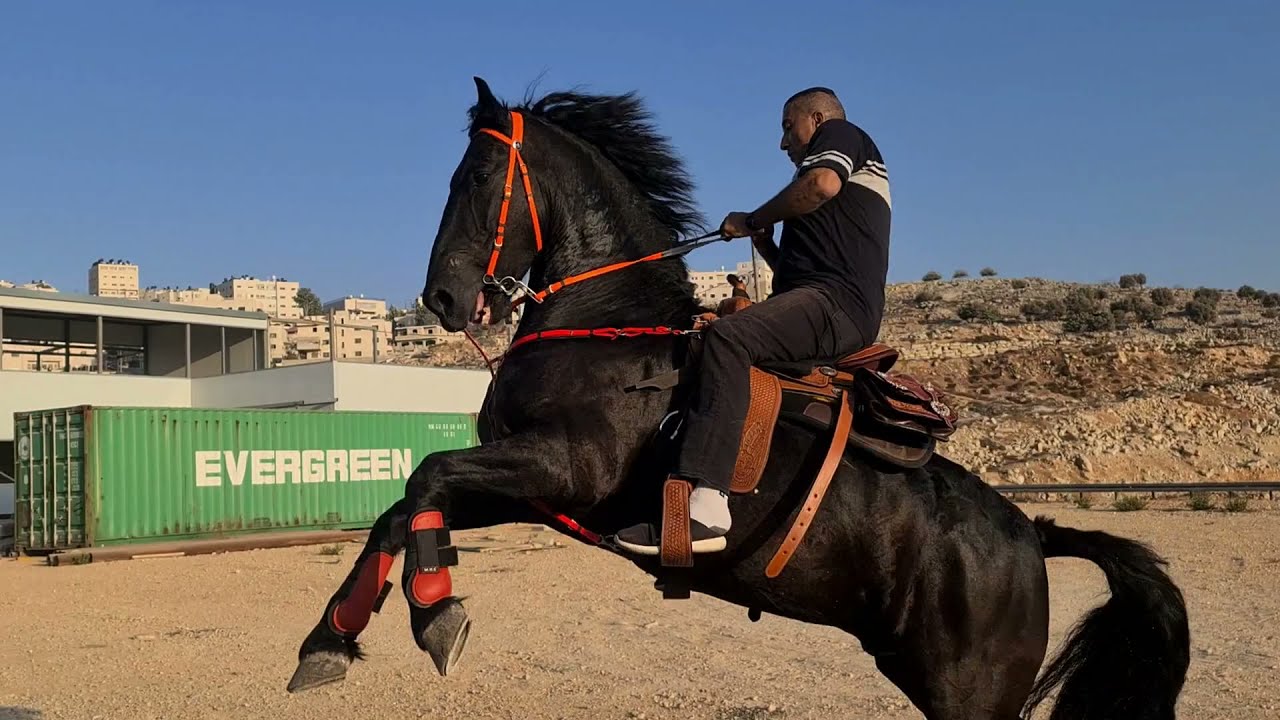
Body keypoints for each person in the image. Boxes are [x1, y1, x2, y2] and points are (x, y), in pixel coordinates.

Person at [614, 86, 892, 556]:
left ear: (818, 120)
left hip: (838, 305)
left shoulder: (843, 137)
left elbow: (821, 185)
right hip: (817, 298)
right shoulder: (815, 199)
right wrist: (765, 244)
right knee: (708, 334)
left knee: (729, 339)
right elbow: (796, 276)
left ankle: (706, 505)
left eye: (789, 127)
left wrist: (753, 218)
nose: (784, 144)